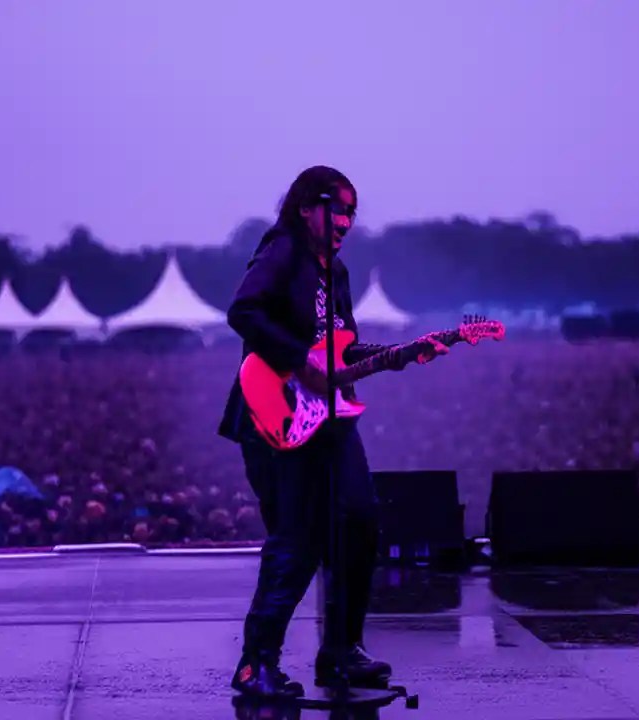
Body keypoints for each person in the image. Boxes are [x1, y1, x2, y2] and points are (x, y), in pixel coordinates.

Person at [218, 166, 448, 699]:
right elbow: (244, 311)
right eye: (336, 208)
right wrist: (298, 360)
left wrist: (402, 354)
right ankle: (256, 665)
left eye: (352, 211)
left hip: (328, 415)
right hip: (275, 412)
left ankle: (341, 651)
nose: (345, 220)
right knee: (296, 538)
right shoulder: (282, 250)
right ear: (305, 207)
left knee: (361, 522)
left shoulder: (337, 274)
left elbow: (342, 353)